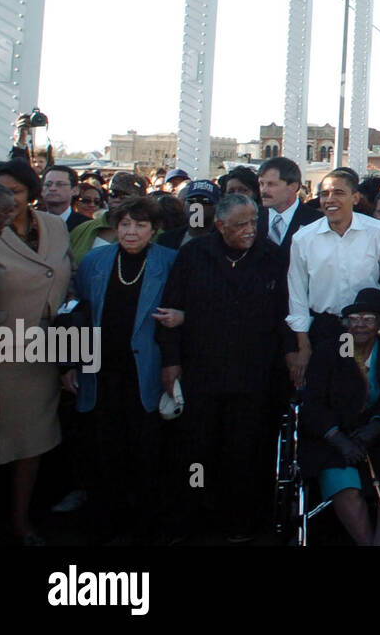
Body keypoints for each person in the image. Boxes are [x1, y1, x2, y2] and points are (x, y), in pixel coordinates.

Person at [156, 193, 291, 541]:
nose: (249, 230)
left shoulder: (271, 257)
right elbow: (169, 312)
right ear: (219, 225)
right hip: (201, 373)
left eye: (253, 223)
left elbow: (279, 317)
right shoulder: (193, 255)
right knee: (196, 452)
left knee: (244, 453)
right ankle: (194, 518)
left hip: (253, 376)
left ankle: (241, 523)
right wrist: (170, 362)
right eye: (241, 225)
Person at [64, 196, 178, 543]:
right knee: (104, 450)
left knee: (145, 452)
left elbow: (185, 312)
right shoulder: (95, 261)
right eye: (125, 224)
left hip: (146, 370)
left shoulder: (170, 262)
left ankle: (143, 525)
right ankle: (105, 521)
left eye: (140, 225)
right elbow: (77, 311)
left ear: (153, 229)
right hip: (101, 372)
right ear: (115, 227)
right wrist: (69, 363)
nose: (132, 232)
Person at [298, 289, 380, 546]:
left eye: (368, 318)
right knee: (344, 482)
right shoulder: (330, 352)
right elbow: (313, 405)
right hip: (334, 437)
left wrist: (377, 427)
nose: (360, 324)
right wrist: (339, 439)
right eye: (354, 319)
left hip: (378, 435)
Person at [0, 161, 73, 544]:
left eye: (16, 191)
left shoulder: (56, 226)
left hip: (45, 352)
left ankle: (21, 521)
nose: (8, 200)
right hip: (3, 353)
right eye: (1, 191)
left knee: (34, 443)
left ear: (33, 194)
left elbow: (69, 290)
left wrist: (72, 357)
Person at [285, 169, 380, 390]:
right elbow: (297, 294)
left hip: (367, 329)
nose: (330, 200)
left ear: (355, 197)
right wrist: (303, 344)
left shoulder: (377, 232)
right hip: (325, 328)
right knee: (327, 391)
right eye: (324, 194)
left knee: (364, 392)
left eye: (339, 193)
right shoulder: (303, 238)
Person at [257, 157, 323, 261]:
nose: (263, 190)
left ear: (293, 186)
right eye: (261, 184)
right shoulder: (252, 218)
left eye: (271, 184)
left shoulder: (317, 222)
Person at [158, 179, 220, 250]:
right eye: (192, 201)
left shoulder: (225, 241)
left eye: (205, 202)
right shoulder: (166, 239)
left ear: (216, 206)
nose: (197, 206)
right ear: (184, 204)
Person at [40, 164, 87, 231]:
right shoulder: (34, 223)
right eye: (48, 184)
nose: (52, 188)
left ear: (75, 190)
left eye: (60, 184)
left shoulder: (85, 226)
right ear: (42, 190)